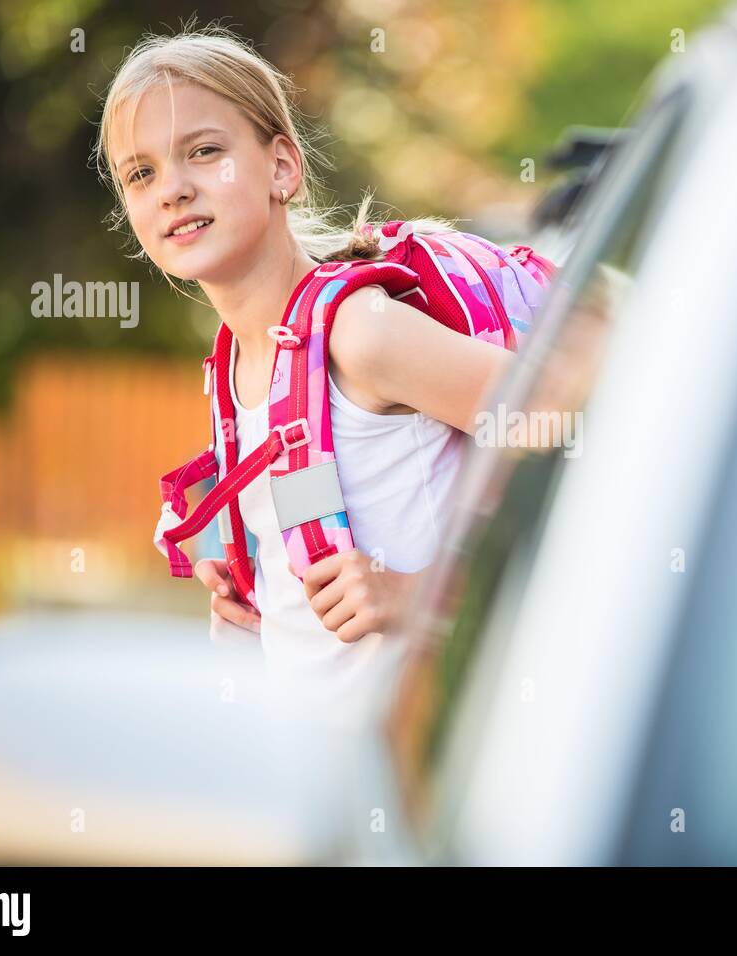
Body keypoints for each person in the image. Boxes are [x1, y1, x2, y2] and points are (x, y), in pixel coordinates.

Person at [96, 26, 515, 695]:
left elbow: (578, 446)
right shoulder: (237, 372)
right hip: (323, 772)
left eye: (203, 152)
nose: (171, 189)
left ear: (282, 168)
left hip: (432, 761)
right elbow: (325, 517)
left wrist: (421, 595)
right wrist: (259, 595)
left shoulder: (361, 334)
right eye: (140, 173)